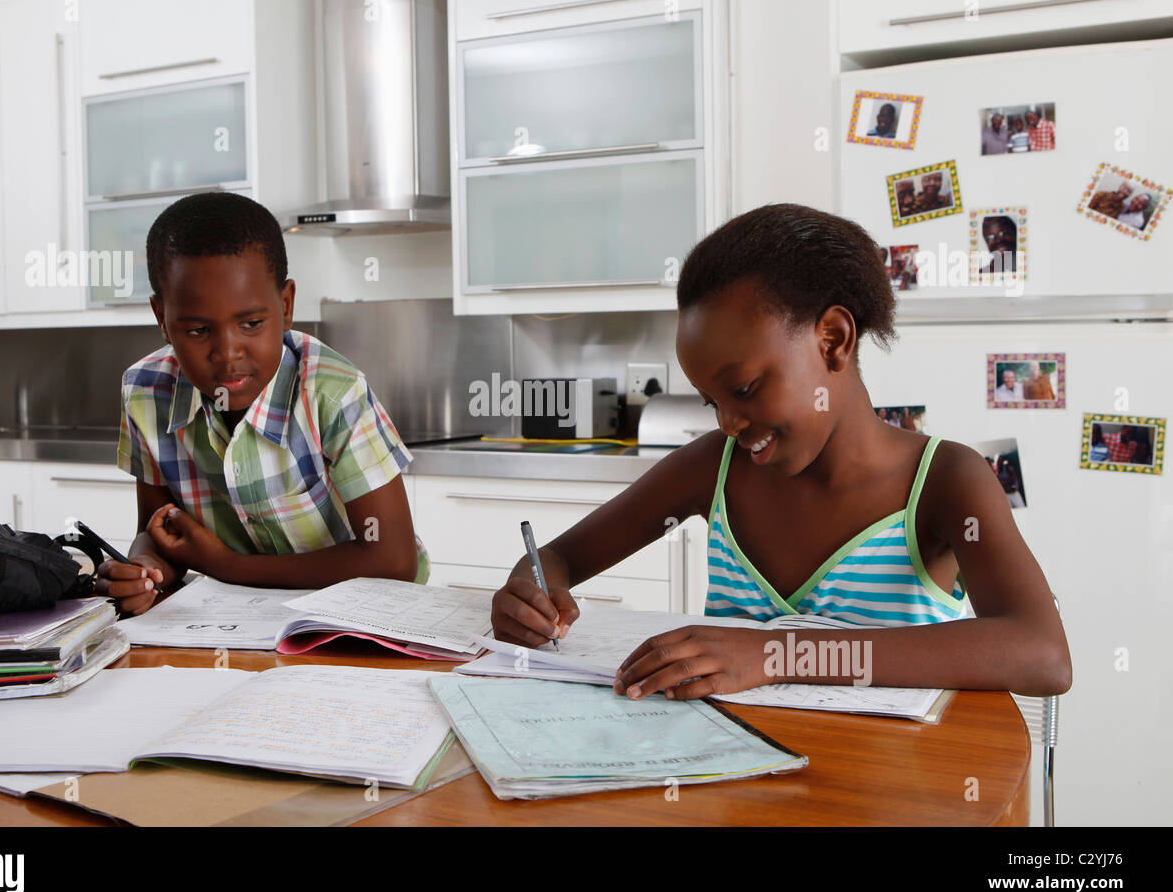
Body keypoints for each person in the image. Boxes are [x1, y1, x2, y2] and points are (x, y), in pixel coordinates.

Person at [490, 204, 1071, 699]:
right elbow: (557, 560)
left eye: (743, 390)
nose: (729, 422)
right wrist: (531, 591)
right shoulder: (714, 468)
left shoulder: (945, 480)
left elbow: (1041, 653)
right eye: (709, 402)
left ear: (833, 340)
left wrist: (778, 653)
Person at [96, 192, 428, 614]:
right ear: (162, 317)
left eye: (251, 324)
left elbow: (393, 560)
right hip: (242, 620)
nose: (228, 352)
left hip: (368, 619)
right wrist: (143, 569)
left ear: (286, 306)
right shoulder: (146, 394)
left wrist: (230, 566)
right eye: (198, 330)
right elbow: (158, 529)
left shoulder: (331, 392)